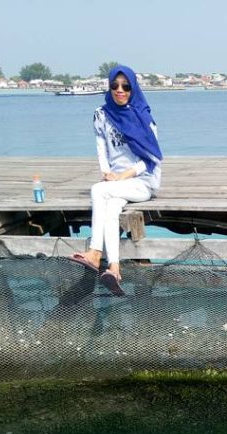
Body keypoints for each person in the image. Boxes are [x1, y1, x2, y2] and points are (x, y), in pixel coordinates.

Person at [70, 65, 162, 296]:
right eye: (115, 86)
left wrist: (121, 176)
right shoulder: (101, 114)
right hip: (115, 184)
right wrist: (106, 172)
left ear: (133, 89)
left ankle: (94, 252)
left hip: (142, 181)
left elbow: (151, 161)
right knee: (111, 207)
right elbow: (101, 149)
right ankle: (114, 268)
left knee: (98, 191)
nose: (119, 90)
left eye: (125, 86)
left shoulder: (144, 117)